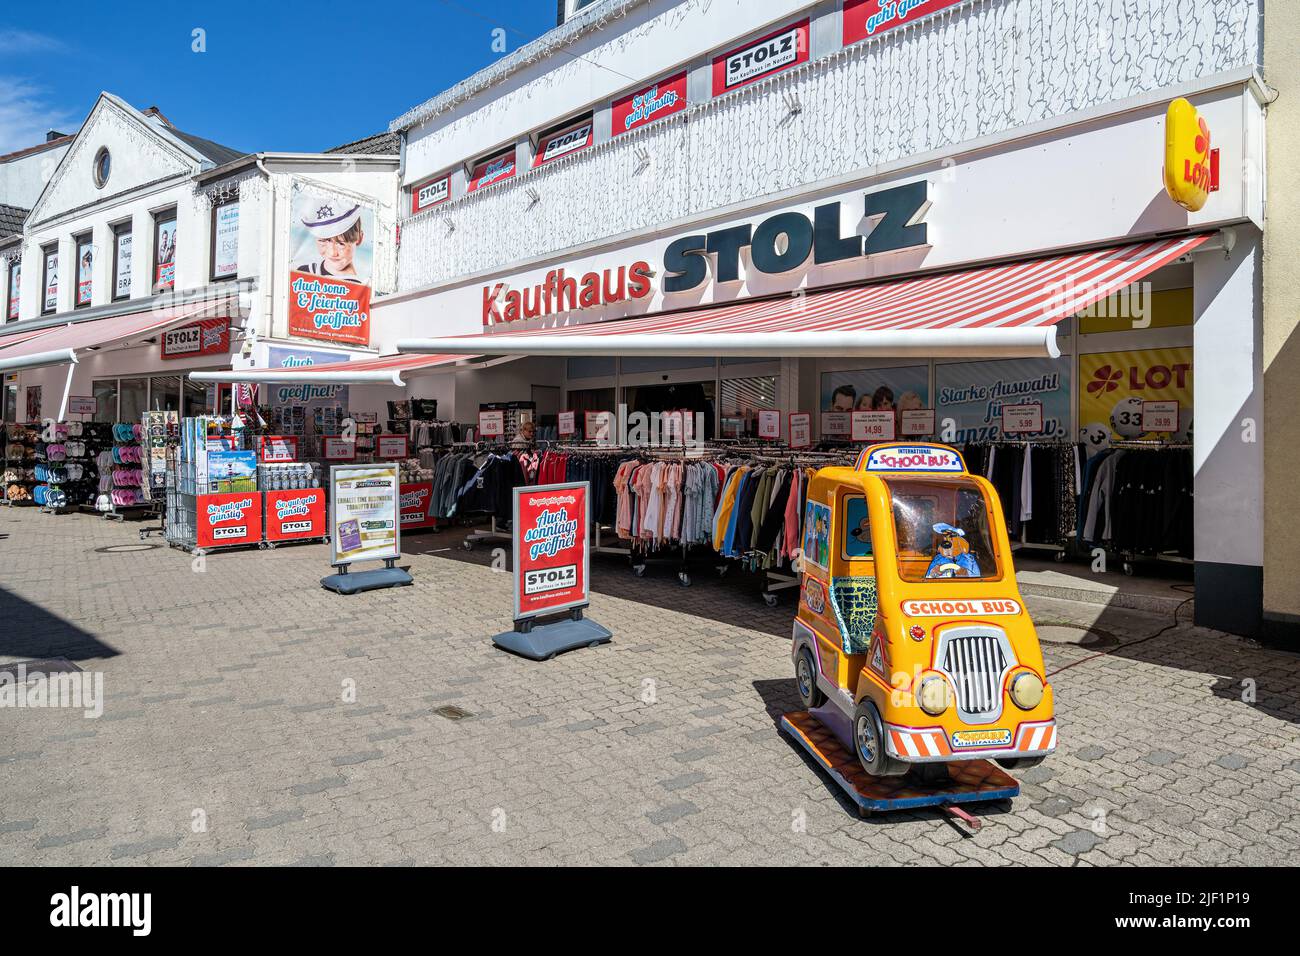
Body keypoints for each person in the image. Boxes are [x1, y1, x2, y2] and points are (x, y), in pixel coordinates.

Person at [295, 201, 366, 282]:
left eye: (341, 244)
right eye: (322, 241)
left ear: (359, 239)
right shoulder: (304, 273)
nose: (332, 253)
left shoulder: (357, 287)